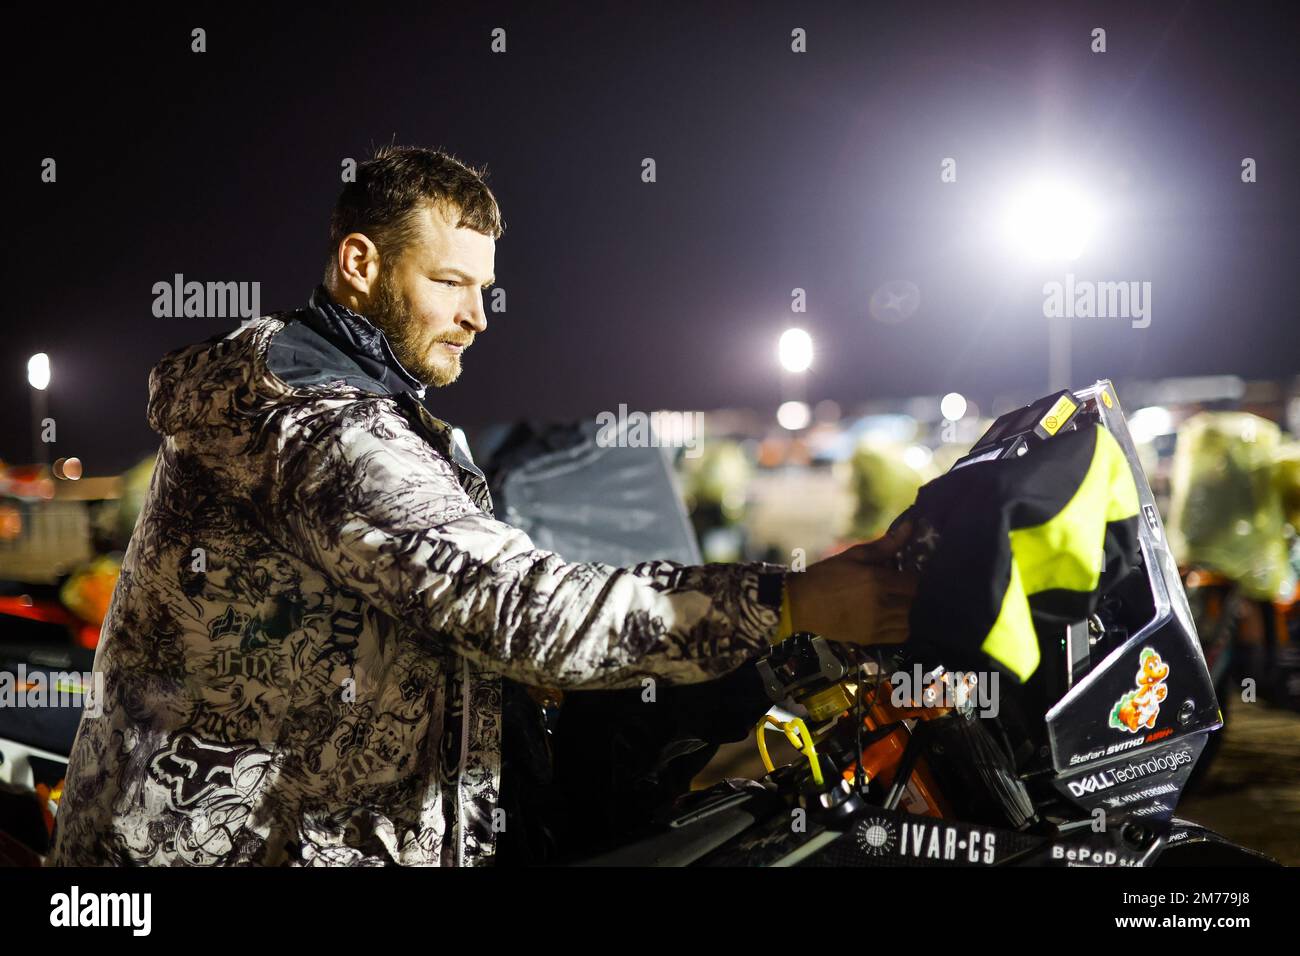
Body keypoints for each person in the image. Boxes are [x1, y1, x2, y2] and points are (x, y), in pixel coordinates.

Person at [48, 146, 916, 866]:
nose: (478, 317)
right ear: (362, 264)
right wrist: (792, 600)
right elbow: (514, 604)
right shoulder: (318, 433)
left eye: (484, 289)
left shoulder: (364, 412)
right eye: (452, 283)